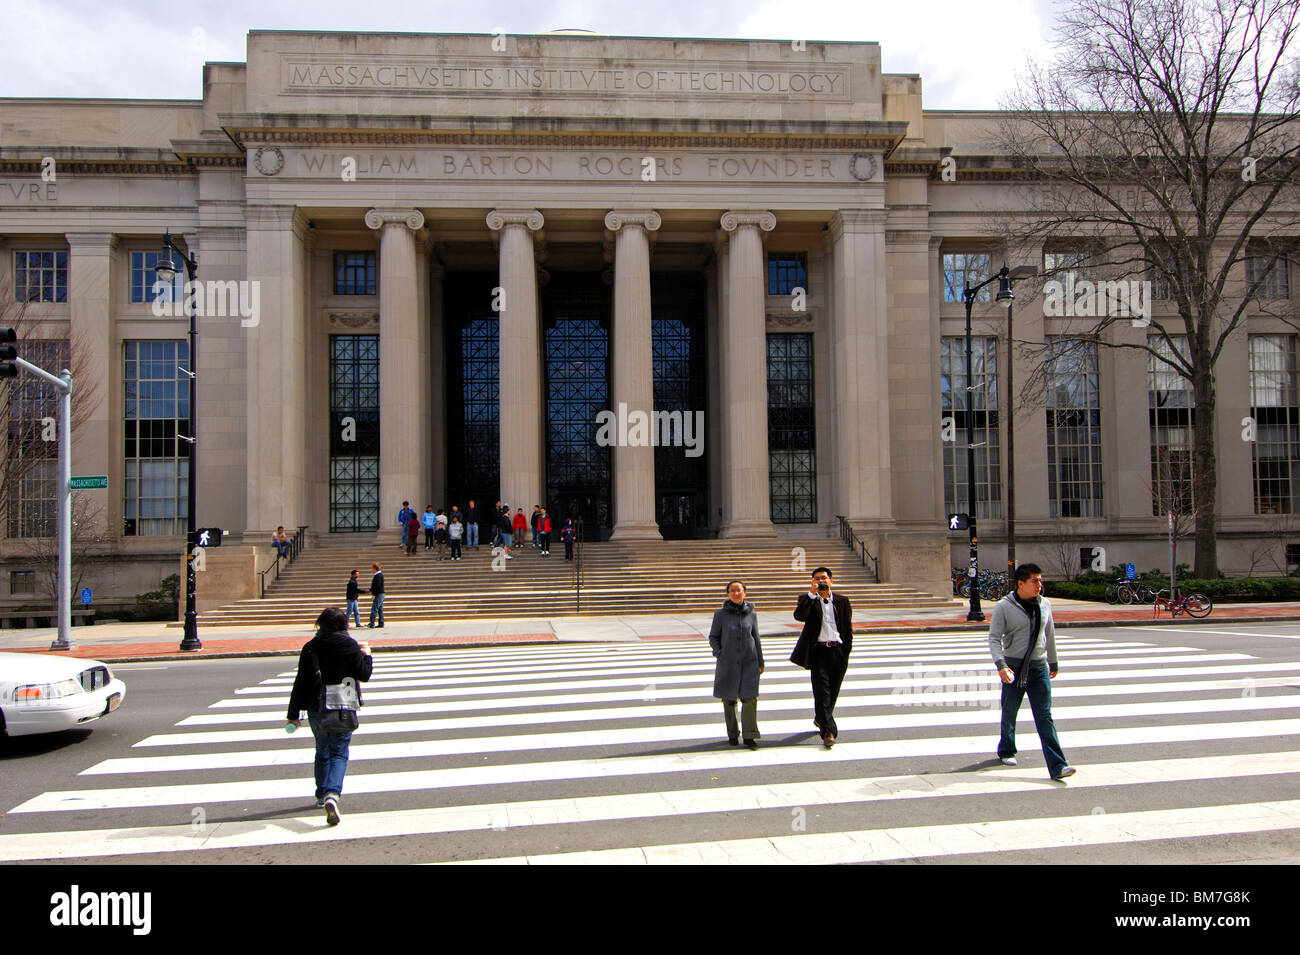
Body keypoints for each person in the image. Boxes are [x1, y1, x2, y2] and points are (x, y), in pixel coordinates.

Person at [285, 606, 374, 826]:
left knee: (322, 749)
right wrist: (367, 657)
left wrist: (292, 714)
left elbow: (301, 682)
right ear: (344, 625)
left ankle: (321, 794)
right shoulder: (349, 646)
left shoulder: (311, 647)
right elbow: (364, 674)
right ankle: (332, 794)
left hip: (317, 704)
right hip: (343, 702)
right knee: (339, 751)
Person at [989, 563, 1076, 780]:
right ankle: (1006, 749)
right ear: (1021, 584)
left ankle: (1058, 766)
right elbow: (994, 639)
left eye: (1040, 580)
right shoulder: (1004, 607)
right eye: (1034, 581)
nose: (1039, 585)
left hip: (1038, 668)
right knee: (1010, 711)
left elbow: (1050, 634)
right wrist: (1001, 665)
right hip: (1014, 667)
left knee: (1044, 716)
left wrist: (1053, 662)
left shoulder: (1044, 604)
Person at [790, 566, 853, 748]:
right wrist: (811, 595)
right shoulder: (807, 600)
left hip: (838, 651)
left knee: (833, 690)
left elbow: (847, 628)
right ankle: (829, 731)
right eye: (817, 579)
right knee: (822, 691)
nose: (821, 581)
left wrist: (846, 650)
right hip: (818, 651)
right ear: (812, 582)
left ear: (831, 580)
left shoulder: (842, 601)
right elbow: (799, 616)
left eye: (824, 578)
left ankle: (820, 718)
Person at [709, 580, 764, 749]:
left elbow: (756, 637)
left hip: (749, 661)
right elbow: (713, 637)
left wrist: (760, 661)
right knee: (729, 699)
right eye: (732, 591)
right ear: (728, 594)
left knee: (750, 698)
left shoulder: (751, 614)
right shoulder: (720, 615)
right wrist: (720, 653)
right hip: (728, 662)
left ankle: (750, 735)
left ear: (745, 592)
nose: (736, 593)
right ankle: (732, 734)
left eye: (739, 590)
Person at [367, 562, 385, 628]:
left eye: (372, 568)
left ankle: (372, 623)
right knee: (380, 609)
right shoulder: (380, 575)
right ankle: (381, 622)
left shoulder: (378, 576)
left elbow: (377, 586)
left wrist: (373, 594)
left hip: (378, 594)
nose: (372, 570)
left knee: (374, 609)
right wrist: (370, 590)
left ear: (375, 569)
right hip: (381, 593)